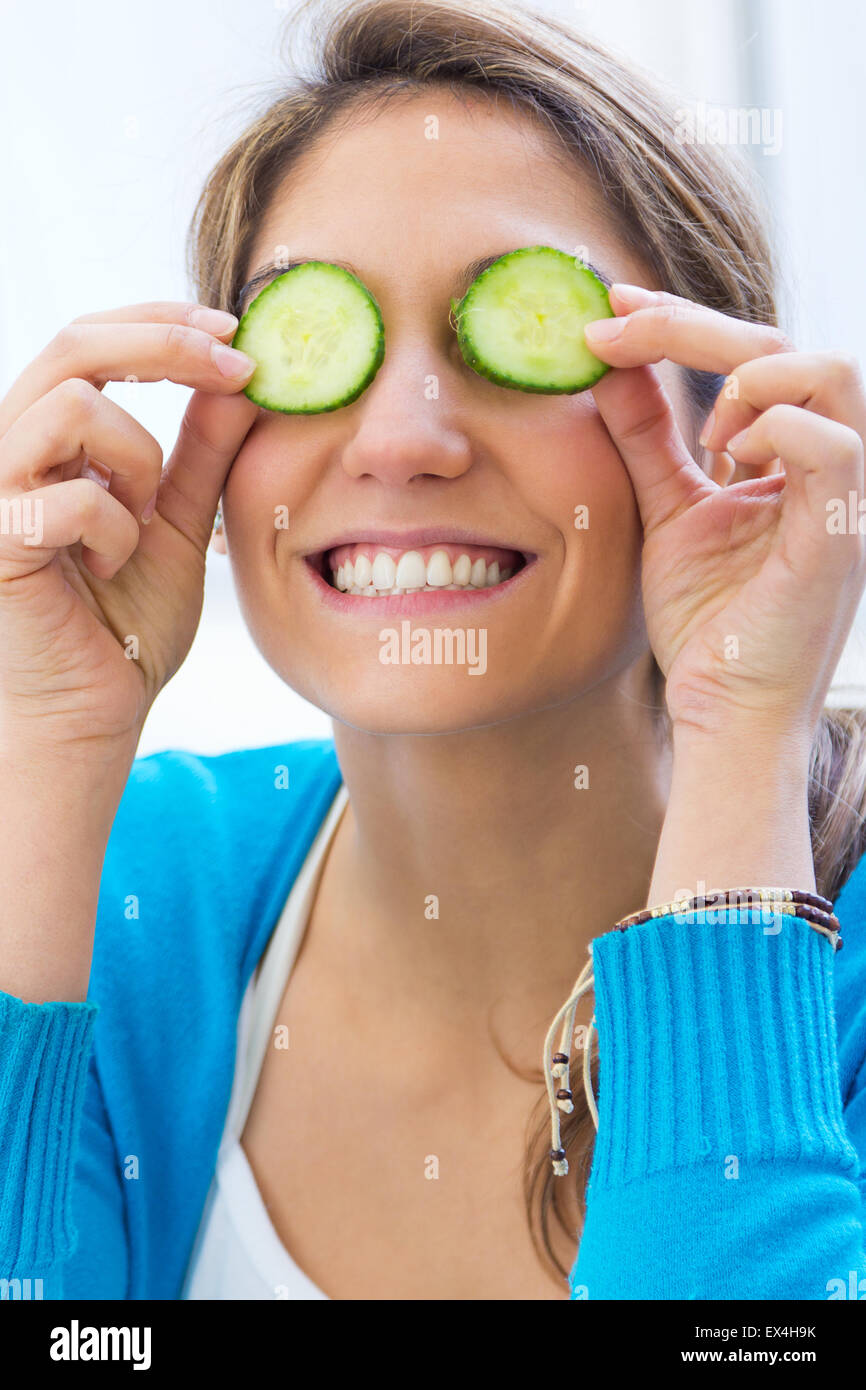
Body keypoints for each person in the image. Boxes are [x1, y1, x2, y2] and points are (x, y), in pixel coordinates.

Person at [2, 0, 866, 1301]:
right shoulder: (123, 888)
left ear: (726, 439)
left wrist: (745, 721)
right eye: (318, 349)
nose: (402, 438)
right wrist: (47, 739)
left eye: (522, 340)